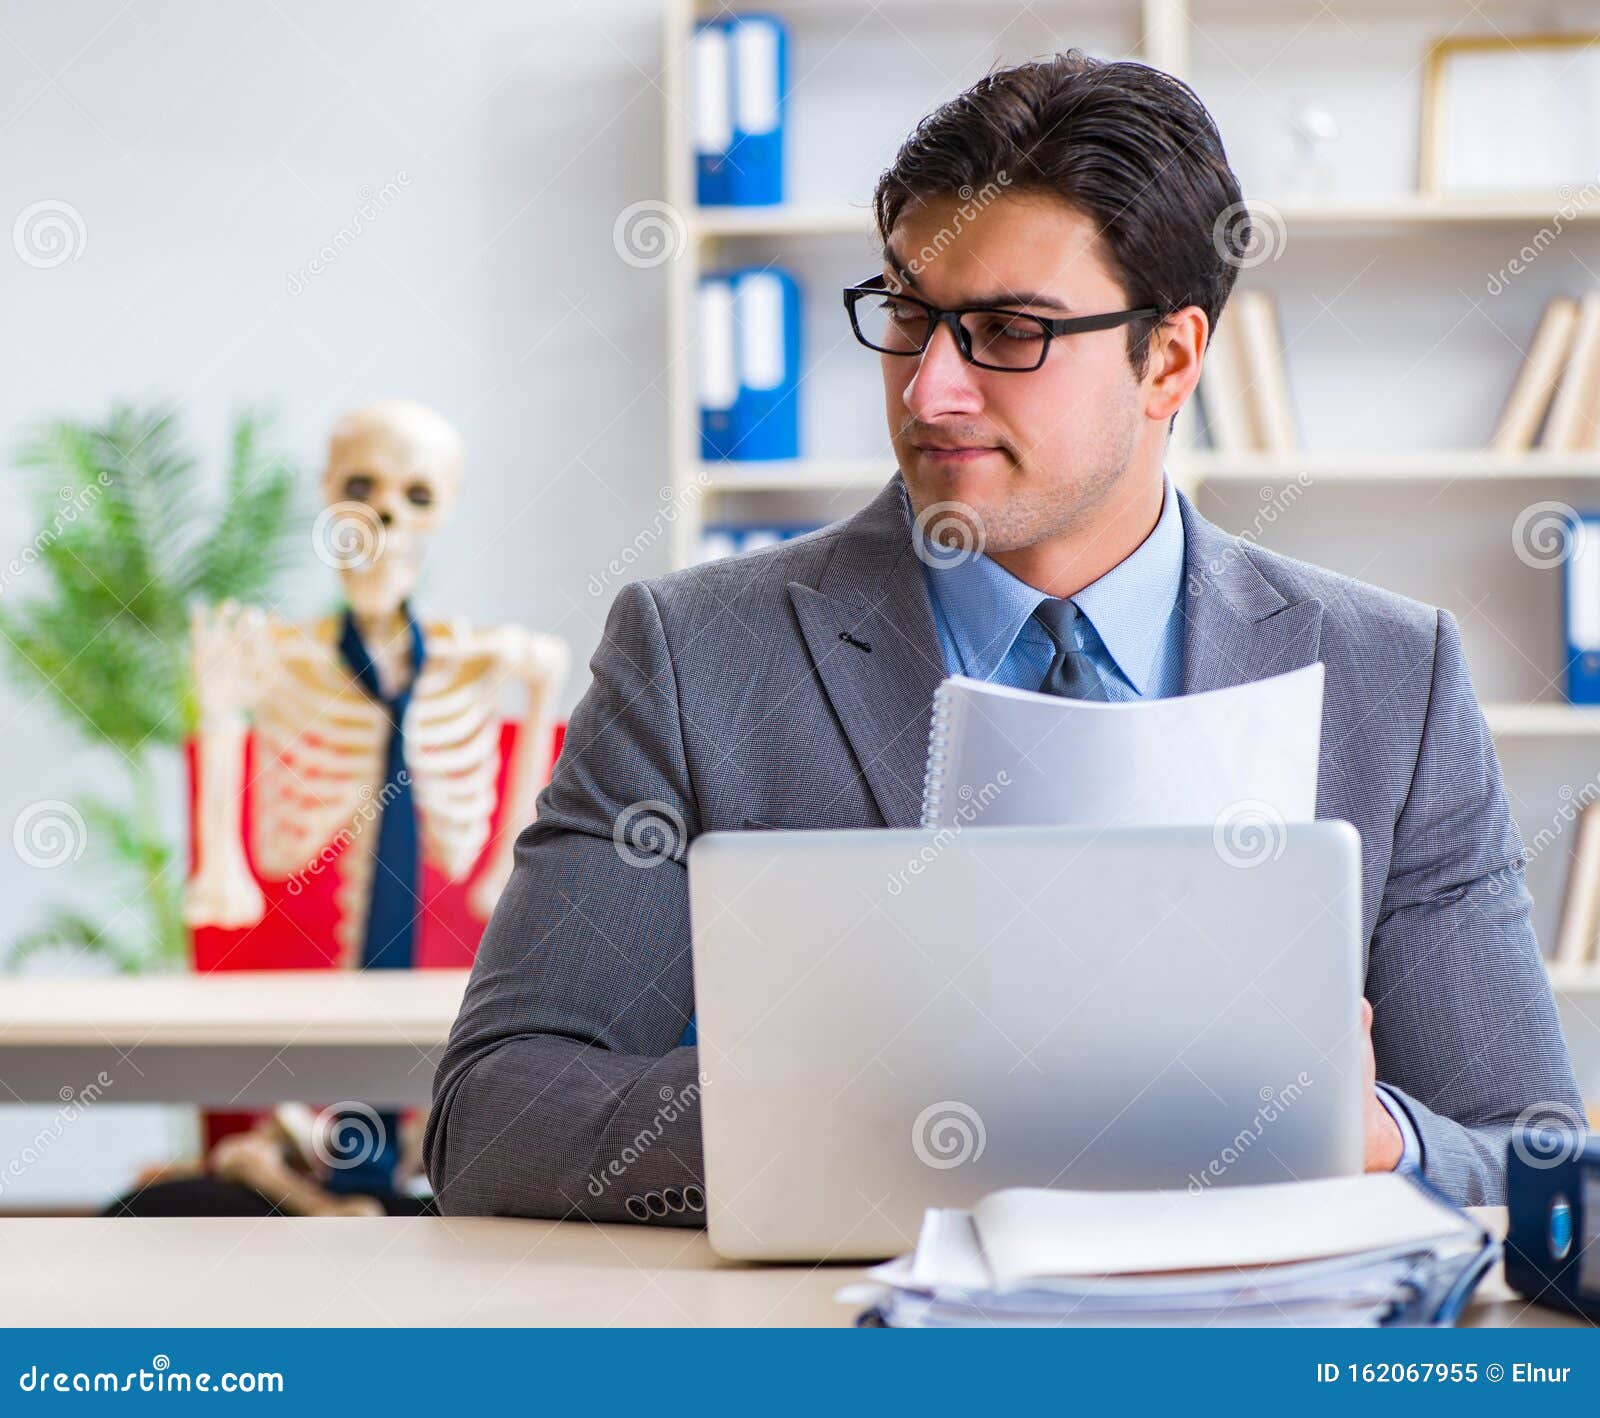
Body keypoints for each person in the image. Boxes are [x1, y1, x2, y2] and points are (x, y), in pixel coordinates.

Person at [424, 51, 1581, 1219]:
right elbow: (492, 1118)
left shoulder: (1394, 681)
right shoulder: (696, 657)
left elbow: (1533, 1157)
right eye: (909, 315)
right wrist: (862, 1109)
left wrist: (1369, 1131)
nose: (929, 390)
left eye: (1006, 331)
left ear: (1168, 359)